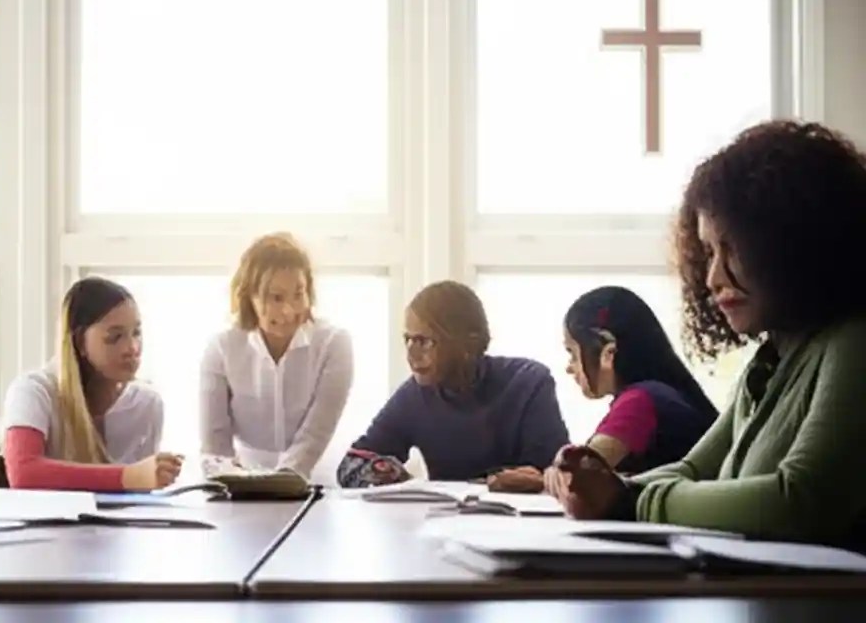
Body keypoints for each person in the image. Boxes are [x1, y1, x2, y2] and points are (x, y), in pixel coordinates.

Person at [546, 120, 866, 550]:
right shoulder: (773, 358)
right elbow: (695, 471)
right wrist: (600, 487)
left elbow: (803, 500)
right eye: (709, 252)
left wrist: (630, 500)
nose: (713, 277)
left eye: (731, 248)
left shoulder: (854, 338)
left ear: (793, 240)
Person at [338, 280, 569, 487]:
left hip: (524, 526)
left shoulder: (528, 382)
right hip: (446, 525)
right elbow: (351, 465)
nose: (411, 354)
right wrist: (388, 474)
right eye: (407, 340)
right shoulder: (415, 394)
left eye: (424, 341)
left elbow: (561, 475)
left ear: (469, 343)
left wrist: (537, 480)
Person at [2, 277, 180, 491]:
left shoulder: (147, 404)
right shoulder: (33, 391)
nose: (132, 348)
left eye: (136, 333)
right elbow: (23, 473)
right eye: (114, 337)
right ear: (80, 342)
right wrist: (127, 476)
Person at [200, 233, 353, 478]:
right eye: (275, 297)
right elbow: (215, 442)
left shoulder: (334, 344)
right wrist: (230, 481)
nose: (288, 310)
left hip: (314, 479)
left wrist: (284, 481)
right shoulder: (221, 348)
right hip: (241, 483)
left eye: (298, 294)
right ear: (249, 296)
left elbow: (316, 433)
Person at [562, 286, 717, 473]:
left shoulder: (638, 402)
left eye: (573, 354)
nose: (569, 367)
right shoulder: (664, 395)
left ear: (608, 352)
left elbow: (577, 475)